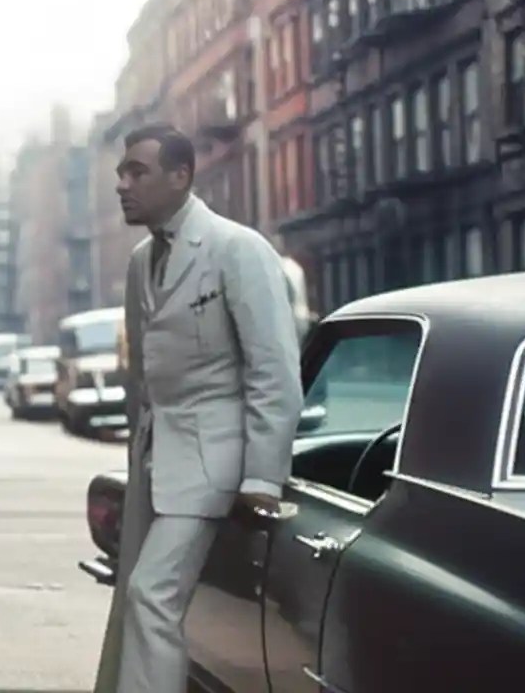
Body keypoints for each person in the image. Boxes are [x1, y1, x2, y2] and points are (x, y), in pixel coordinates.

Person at [94, 124, 303, 693]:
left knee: (150, 595)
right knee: (132, 597)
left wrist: (263, 477)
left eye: (137, 172)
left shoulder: (239, 248)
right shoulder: (142, 260)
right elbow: (142, 371)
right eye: (121, 172)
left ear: (180, 177)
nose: (123, 184)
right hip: (156, 460)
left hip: (215, 462)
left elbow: (275, 368)